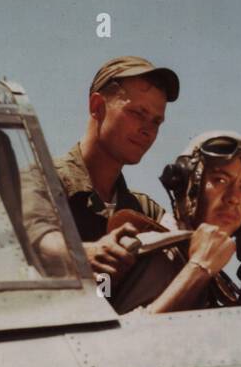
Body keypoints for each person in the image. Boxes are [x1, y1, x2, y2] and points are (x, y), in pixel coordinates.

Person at [21, 56, 179, 284]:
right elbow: (40, 238)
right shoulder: (41, 180)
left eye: (156, 121)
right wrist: (87, 253)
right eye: (137, 113)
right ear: (97, 107)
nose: (148, 130)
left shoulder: (144, 210)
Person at [111, 131, 241, 314]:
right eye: (220, 180)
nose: (234, 198)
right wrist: (198, 270)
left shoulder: (215, 273)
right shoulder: (160, 257)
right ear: (184, 185)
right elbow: (121, 340)